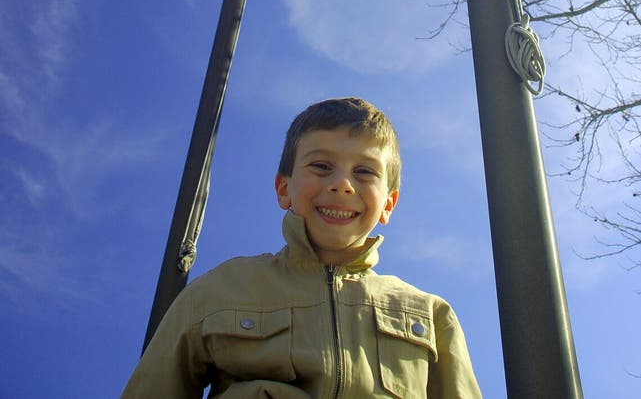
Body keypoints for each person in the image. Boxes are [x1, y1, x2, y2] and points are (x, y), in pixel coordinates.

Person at [121, 97, 482, 398]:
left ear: (388, 203)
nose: (342, 184)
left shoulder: (431, 316)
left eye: (365, 172)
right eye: (321, 166)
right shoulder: (218, 291)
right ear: (284, 189)